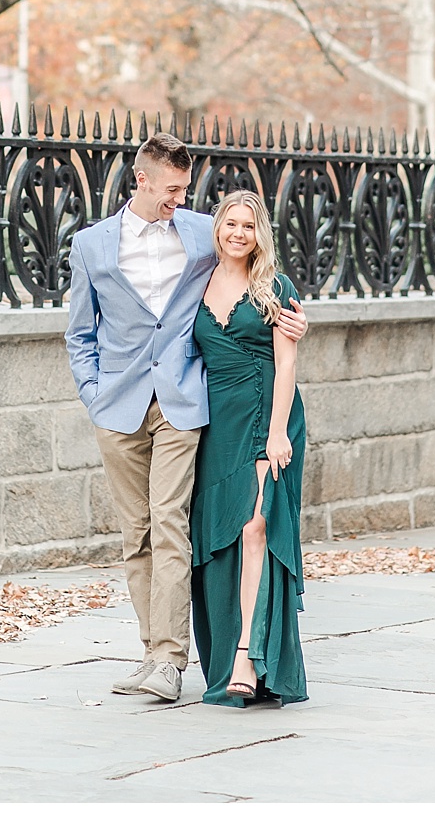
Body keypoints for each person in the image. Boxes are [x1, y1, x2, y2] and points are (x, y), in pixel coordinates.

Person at [62, 133, 304, 704]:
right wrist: (94, 394)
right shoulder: (91, 245)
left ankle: (171, 662)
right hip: (118, 406)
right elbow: (79, 333)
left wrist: (297, 326)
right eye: (171, 189)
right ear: (140, 180)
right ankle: (152, 652)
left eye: (184, 189)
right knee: (136, 534)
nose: (179, 199)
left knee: (170, 519)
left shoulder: (202, 230)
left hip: (182, 402)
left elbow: (260, 277)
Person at [190, 190, 307, 706]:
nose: (238, 233)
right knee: (222, 534)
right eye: (230, 223)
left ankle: (247, 657)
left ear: (261, 234)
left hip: (267, 413)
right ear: (217, 228)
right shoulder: (193, 281)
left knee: (256, 525)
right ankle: (223, 654)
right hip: (216, 422)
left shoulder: (274, 287)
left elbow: (286, 362)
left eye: (249, 225)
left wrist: (279, 430)